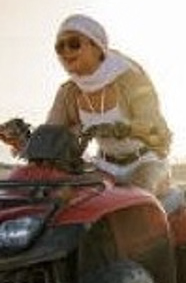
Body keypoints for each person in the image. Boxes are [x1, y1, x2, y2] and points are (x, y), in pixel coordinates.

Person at [42, 13, 173, 195]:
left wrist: (125, 128)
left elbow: (155, 127)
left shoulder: (131, 78)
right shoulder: (68, 91)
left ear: (97, 47)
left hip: (146, 163)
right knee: (67, 199)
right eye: (60, 47)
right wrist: (23, 141)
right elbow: (51, 135)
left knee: (135, 198)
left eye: (74, 43)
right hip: (104, 166)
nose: (66, 51)